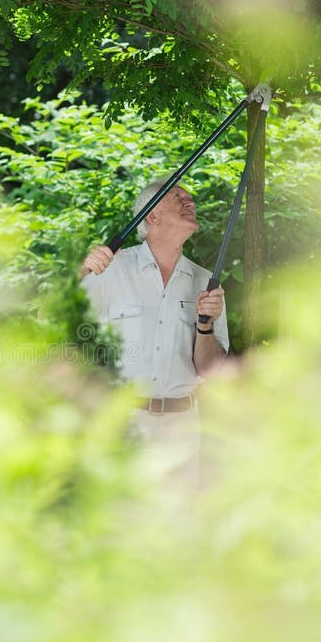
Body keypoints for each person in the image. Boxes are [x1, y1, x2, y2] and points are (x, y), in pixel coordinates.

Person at [80, 176, 228, 491]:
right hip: (122, 425)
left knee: (176, 530)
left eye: (191, 198)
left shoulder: (206, 283)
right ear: (152, 215)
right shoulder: (111, 270)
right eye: (178, 197)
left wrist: (205, 324)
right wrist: (78, 272)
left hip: (182, 430)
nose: (191, 202)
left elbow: (212, 370)